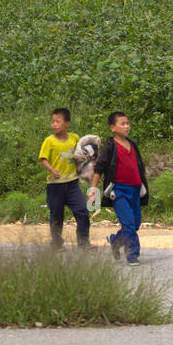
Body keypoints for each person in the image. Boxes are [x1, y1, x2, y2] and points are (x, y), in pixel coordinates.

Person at [87, 111, 149, 265]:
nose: (127, 126)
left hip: (134, 190)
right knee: (128, 223)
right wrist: (93, 190)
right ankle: (132, 255)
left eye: (128, 123)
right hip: (119, 191)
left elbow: (138, 166)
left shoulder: (133, 144)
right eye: (123, 123)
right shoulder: (110, 146)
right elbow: (99, 168)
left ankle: (115, 241)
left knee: (135, 223)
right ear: (113, 128)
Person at [38, 107, 90, 249]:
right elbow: (43, 158)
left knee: (82, 211)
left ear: (67, 123)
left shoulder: (74, 138)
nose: (54, 124)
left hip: (72, 184)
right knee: (56, 215)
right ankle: (56, 243)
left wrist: (84, 165)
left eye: (58, 121)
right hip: (55, 185)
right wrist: (51, 170)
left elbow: (81, 153)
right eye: (52, 121)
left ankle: (83, 242)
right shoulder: (49, 141)